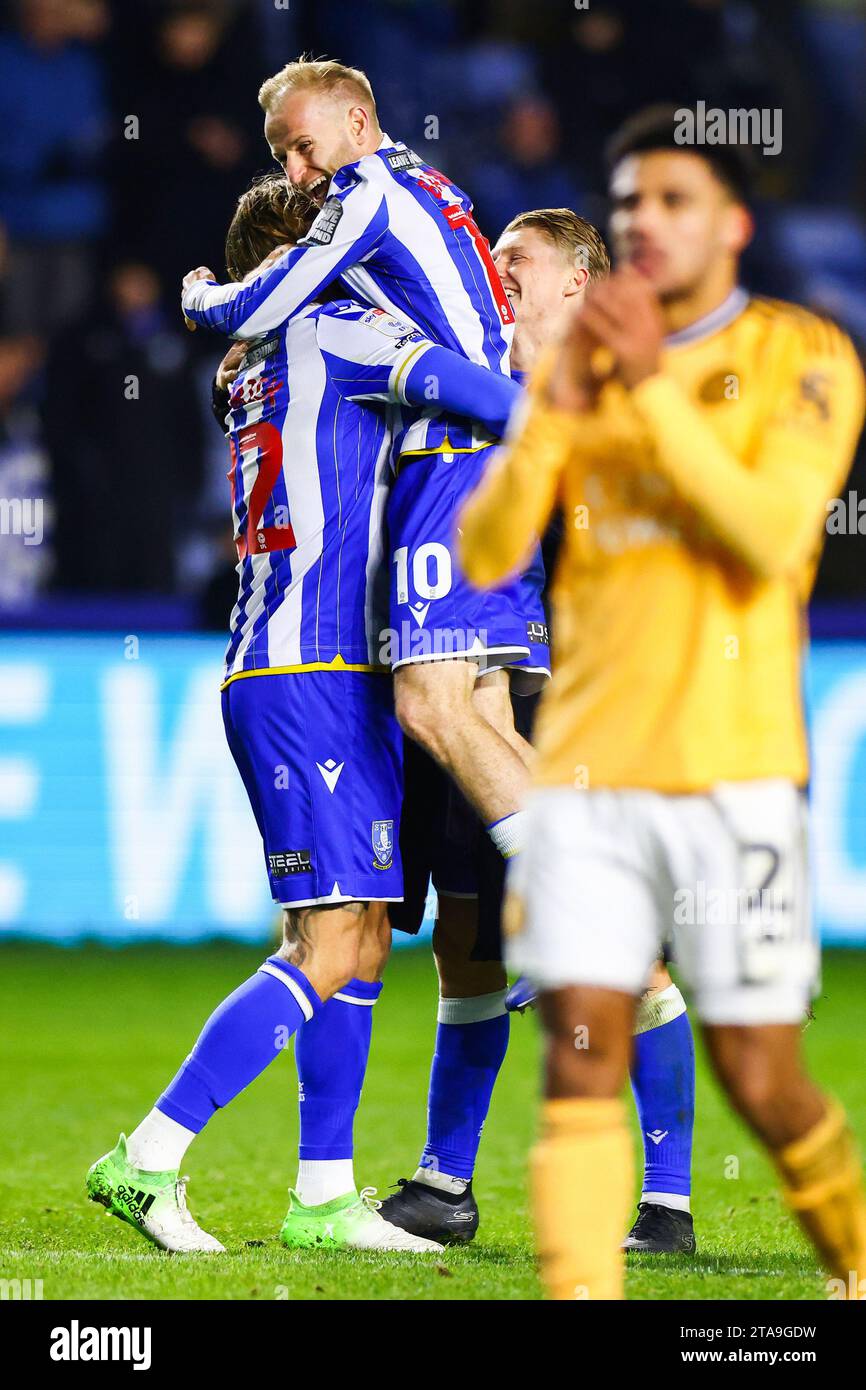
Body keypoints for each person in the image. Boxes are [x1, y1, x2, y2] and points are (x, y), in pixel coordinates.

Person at [457, 106, 866, 1299]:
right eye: (628, 200)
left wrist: (647, 388)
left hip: (728, 770)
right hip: (583, 773)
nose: (643, 220)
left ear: (731, 224)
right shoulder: (580, 363)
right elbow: (488, 548)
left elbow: (764, 534)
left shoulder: (804, 356)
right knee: (579, 1049)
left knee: (758, 1070)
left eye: (671, 200)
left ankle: (851, 1264)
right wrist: (554, 410)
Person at [86, 175, 519, 1256]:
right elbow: (500, 401)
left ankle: (322, 1196)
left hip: (314, 668)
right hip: (308, 671)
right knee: (330, 942)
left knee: (361, 935)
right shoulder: (344, 329)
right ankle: (147, 1156)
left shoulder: (250, 363)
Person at [379, 209, 696, 1255]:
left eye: (518, 259)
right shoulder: (465, 387)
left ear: (578, 280)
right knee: (464, 944)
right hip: (470, 689)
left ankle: (667, 1203)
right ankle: (441, 1184)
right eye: (490, 257)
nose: (496, 271)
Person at [180, 56, 536, 884]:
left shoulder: (364, 197)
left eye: (304, 150)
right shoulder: (426, 184)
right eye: (282, 161)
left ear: (357, 125)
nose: (300, 176)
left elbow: (270, 302)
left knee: (431, 707)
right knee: (486, 719)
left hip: (453, 455)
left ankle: (582, 912)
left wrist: (201, 296)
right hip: (475, 459)